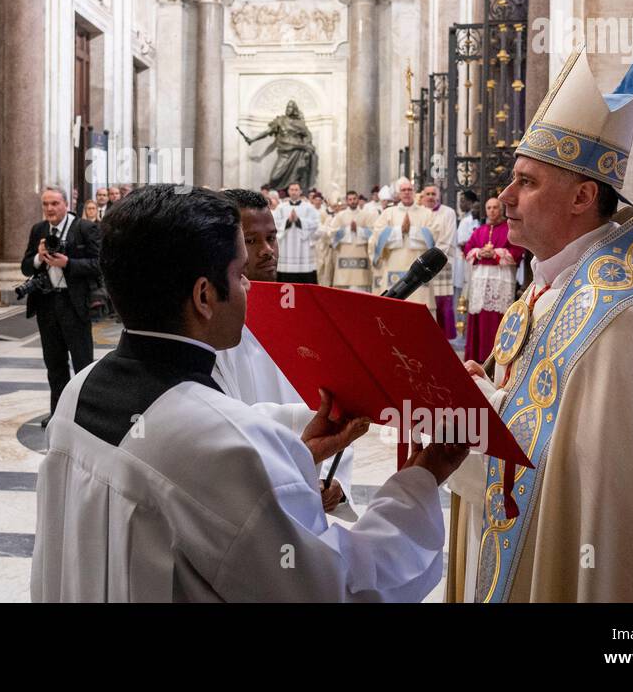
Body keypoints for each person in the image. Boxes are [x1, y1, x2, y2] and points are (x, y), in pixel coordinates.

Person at [31, 184, 469, 602]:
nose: (250, 285)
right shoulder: (228, 448)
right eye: (240, 273)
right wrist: (423, 476)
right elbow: (339, 586)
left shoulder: (76, 393)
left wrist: (293, 457)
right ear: (204, 296)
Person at [445, 50, 633, 602]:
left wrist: (481, 410)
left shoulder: (624, 326)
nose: (504, 198)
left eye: (526, 183)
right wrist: (482, 399)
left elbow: (602, 508)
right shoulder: (541, 292)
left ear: (584, 196)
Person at [214, 189, 352, 510]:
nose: (267, 251)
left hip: (311, 495)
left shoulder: (305, 321)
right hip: (250, 499)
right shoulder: (215, 330)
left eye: (272, 238)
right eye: (251, 240)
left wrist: (335, 482)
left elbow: (332, 407)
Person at [20, 187, 100, 422]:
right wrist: (38, 257)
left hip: (74, 304)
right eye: (45, 204)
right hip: (47, 303)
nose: (50, 209)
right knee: (54, 364)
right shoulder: (39, 230)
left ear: (66, 204)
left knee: (82, 362)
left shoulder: (84, 228)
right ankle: (59, 414)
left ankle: (85, 414)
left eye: (54, 203)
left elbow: (98, 264)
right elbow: (25, 266)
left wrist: (68, 263)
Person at [461, 198, 524, 363]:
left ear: (501, 209)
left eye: (495, 207)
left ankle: (495, 362)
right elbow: (467, 250)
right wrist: (479, 253)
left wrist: (495, 254)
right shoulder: (479, 231)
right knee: (479, 319)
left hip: (500, 283)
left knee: (496, 321)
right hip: (480, 283)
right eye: (489, 207)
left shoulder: (509, 230)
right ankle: (476, 360)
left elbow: (517, 253)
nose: (492, 211)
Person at [368, 178, 435, 305]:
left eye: (409, 190)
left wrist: (412, 231)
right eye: (403, 190)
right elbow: (377, 236)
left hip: (419, 265)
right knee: (394, 306)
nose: (406, 193)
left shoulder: (426, 213)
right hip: (394, 264)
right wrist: (399, 231)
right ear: (399, 194)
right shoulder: (388, 213)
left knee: (419, 306)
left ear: (414, 193)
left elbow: (433, 237)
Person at [420, 184, 459, 338]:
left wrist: (432, 257)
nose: (430, 196)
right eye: (427, 193)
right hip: (423, 264)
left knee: (442, 302)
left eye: (433, 193)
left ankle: (443, 337)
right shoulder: (420, 213)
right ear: (423, 197)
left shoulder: (448, 213)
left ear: (439, 196)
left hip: (442, 262)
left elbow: (447, 237)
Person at [326, 190, 379, 292]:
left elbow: (374, 233)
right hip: (344, 258)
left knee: (361, 290)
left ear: (358, 200)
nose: (352, 201)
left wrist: (358, 231)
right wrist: (347, 230)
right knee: (343, 292)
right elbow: (331, 233)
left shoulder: (366, 215)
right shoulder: (340, 216)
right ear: (347, 201)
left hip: (361, 257)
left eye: (354, 199)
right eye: (350, 199)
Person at [272, 181, 319, 283]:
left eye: (296, 190)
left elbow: (315, 224)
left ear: (300, 191)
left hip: (303, 252)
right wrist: (288, 221)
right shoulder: (281, 208)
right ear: (288, 191)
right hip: (286, 249)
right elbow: (274, 224)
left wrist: (298, 221)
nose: (294, 192)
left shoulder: (309, 207)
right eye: (292, 190)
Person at [454, 190, 480, 331]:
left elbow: (464, 243)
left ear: (471, 202)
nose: (460, 203)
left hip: (470, 262)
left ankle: (465, 328)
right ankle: (461, 328)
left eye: (463, 200)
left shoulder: (471, 220)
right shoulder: (465, 219)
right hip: (463, 262)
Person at [309, 191, 335, 286]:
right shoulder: (310, 210)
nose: (318, 202)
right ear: (313, 201)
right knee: (319, 266)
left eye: (320, 200)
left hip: (326, 242)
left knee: (328, 265)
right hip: (316, 243)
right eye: (316, 200)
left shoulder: (326, 211)